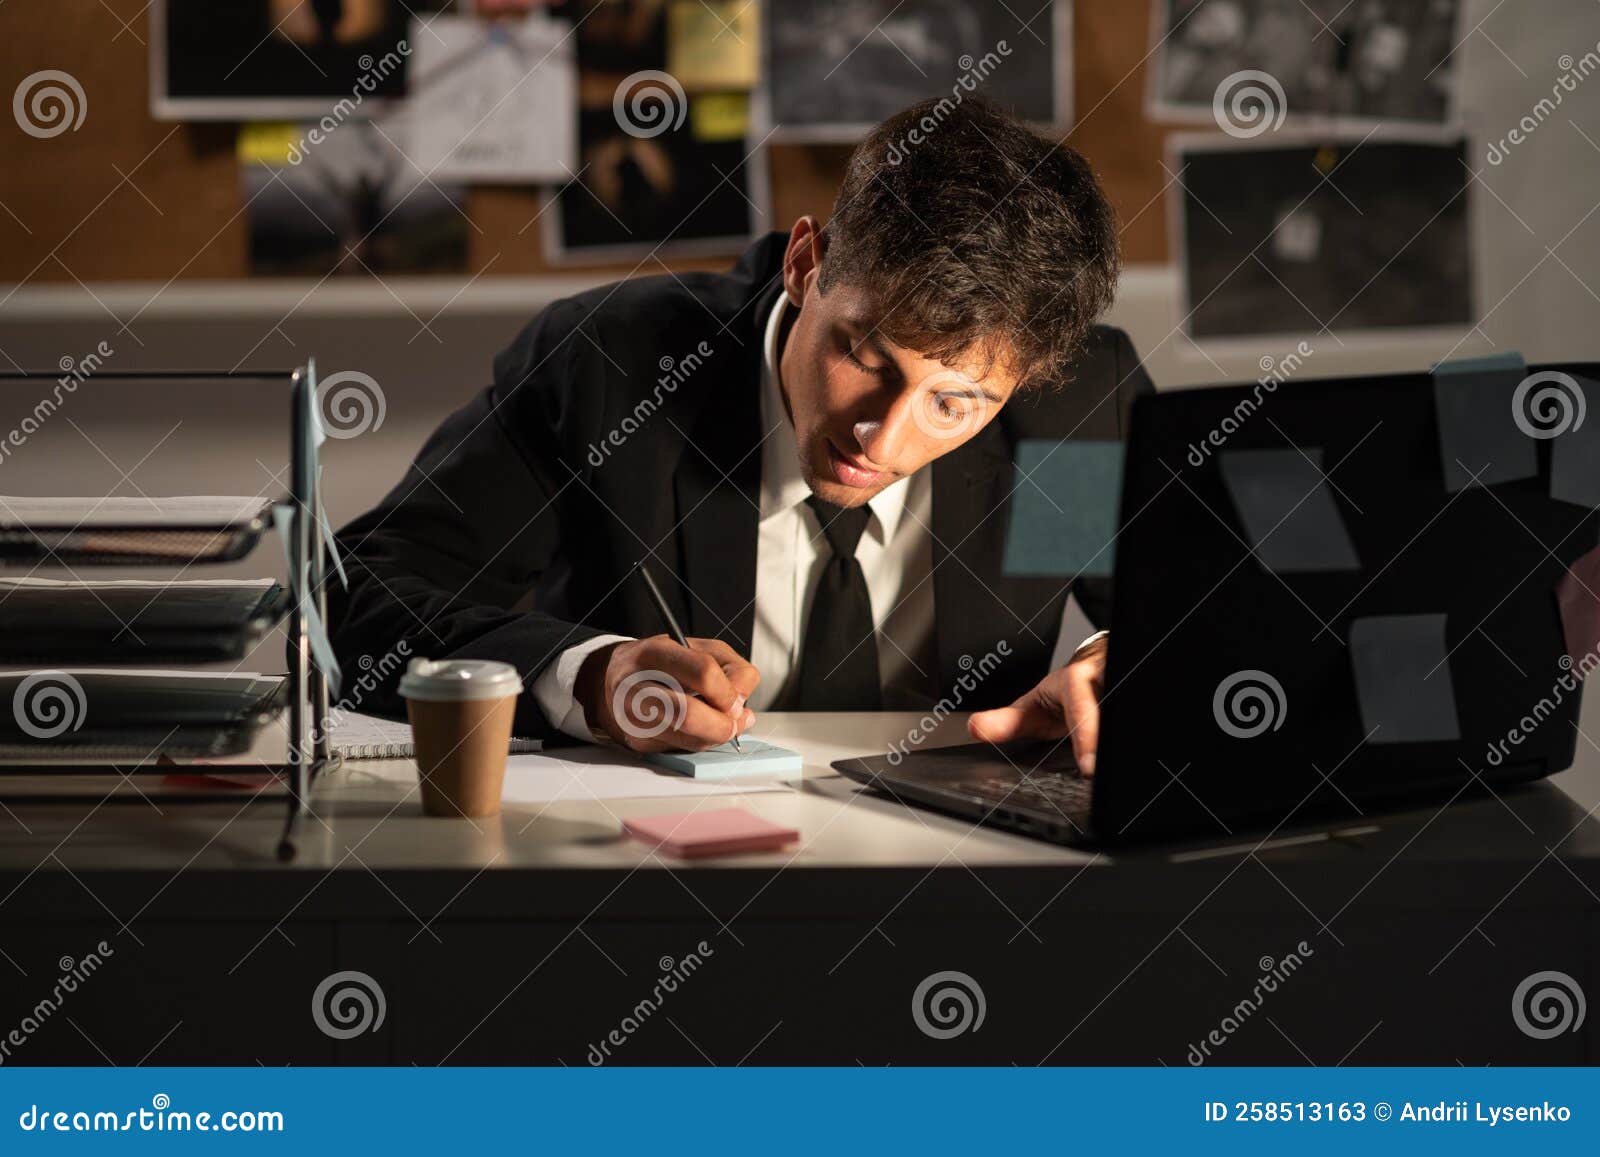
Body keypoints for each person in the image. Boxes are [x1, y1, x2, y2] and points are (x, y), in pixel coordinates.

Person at [328, 96, 1154, 774]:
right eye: (864, 354)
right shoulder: (613, 369)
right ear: (805, 263)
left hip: (968, 865)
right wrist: (592, 675)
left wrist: (1136, 666)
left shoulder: (1071, 412)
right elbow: (359, 596)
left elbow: (1220, 619)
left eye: (956, 403)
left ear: (1024, 379)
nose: (882, 436)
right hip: (652, 872)